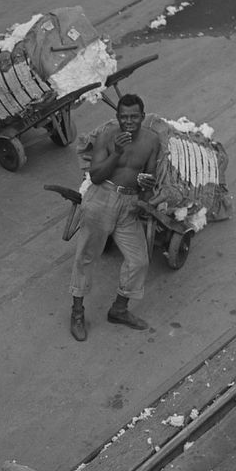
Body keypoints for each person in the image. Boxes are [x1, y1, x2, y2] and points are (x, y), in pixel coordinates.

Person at [67, 93, 159, 340]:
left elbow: (148, 177)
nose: (129, 121)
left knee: (139, 261)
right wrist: (116, 153)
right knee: (86, 257)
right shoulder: (107, 135)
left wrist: (144, 199)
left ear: (142, 116)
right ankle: (77, 312)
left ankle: (119, 309)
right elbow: (96, 176)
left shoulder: (152, 140)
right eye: (124, 116)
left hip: (129, 204)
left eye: (134, 116)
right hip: (101, 198)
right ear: (117, 117)